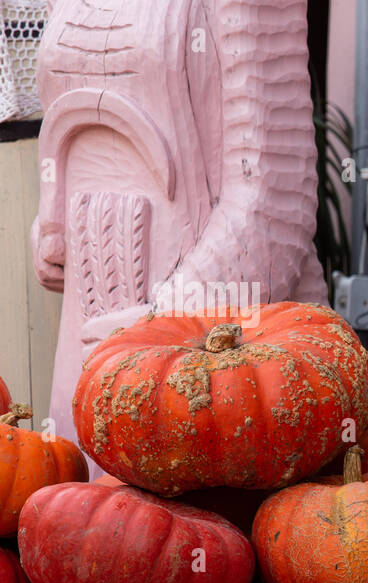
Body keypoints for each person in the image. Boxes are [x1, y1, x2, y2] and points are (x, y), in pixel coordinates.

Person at [30, 0, 327, 456]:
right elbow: (63, 115)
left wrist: (169, 321)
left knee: (198, 509)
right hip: (89, 315)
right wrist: (50, 221)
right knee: (83, 506)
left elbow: (276, 199)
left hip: (214, 344)